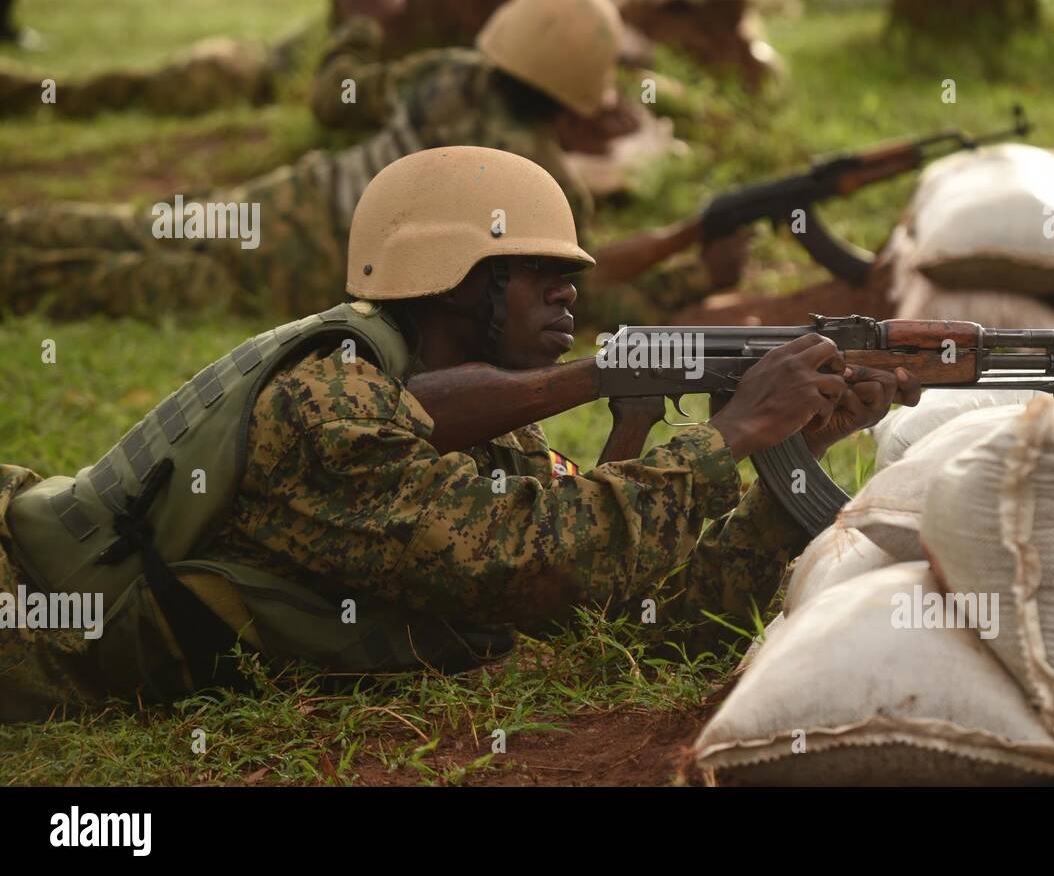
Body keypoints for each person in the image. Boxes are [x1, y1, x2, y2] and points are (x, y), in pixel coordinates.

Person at [0, 146, 919, 723]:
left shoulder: (469, 432)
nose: (570, 291)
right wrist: (733, 432)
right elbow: (529, 561)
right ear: (449, 277)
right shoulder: (329, 407)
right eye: (538, 273)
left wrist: (779, 474)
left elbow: (619, 608)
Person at [1, 0, 744, 327]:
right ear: (583, 92)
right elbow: (585, 308)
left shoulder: (447, 75)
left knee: (114, 228)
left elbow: (333, 99)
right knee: (81, 280)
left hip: (261, 205)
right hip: (281, 278)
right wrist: (697, 277)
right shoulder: (541, 188)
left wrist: (361, 23)